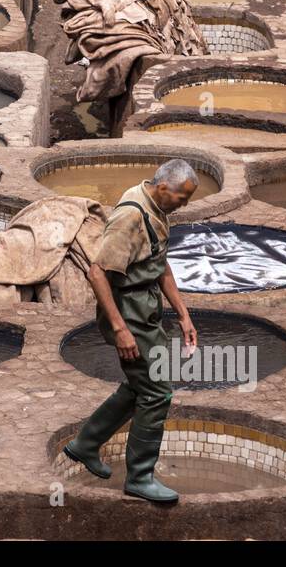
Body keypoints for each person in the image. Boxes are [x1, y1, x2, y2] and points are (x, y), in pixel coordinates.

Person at [63, 158, 200, 503]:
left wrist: (183, 314)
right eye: (182, 197)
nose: (185, 203)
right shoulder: (131, 216)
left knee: (140, 385)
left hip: (145, 310)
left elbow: (159, 263)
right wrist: (120, 329)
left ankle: (86, 443)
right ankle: (140, 477)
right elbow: (97, 273)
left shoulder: (155, 205)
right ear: (164, 186)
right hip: (130, 315)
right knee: (157, 392)